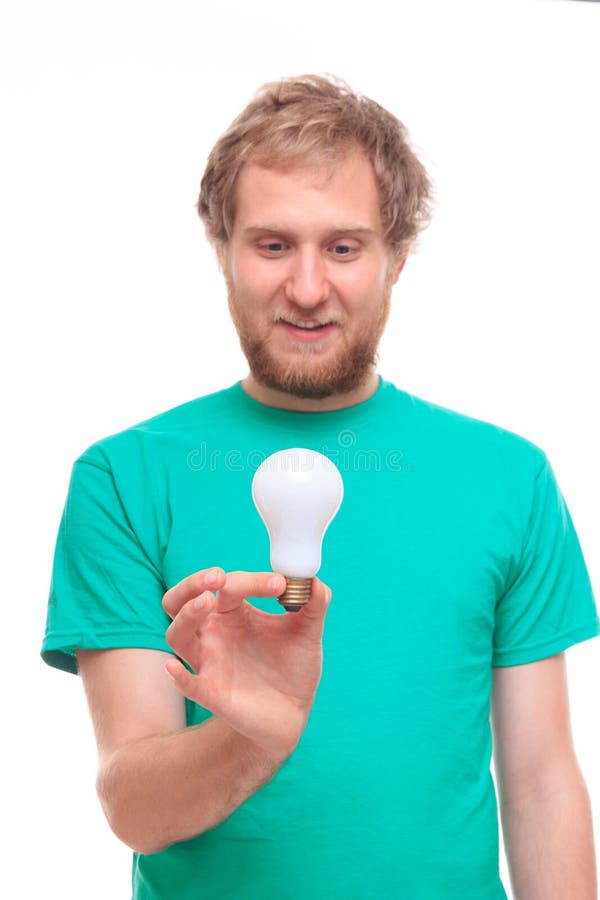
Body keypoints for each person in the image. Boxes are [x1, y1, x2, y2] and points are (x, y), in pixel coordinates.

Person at [41, 74, 600, 899]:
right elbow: (132, 805)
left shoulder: (508, 478)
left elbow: (542, 780)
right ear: (222, 249)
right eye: (272, 246)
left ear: (396, 257)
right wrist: (252, 738)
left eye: (343, 247)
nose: (306, 289)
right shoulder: (125, 478)